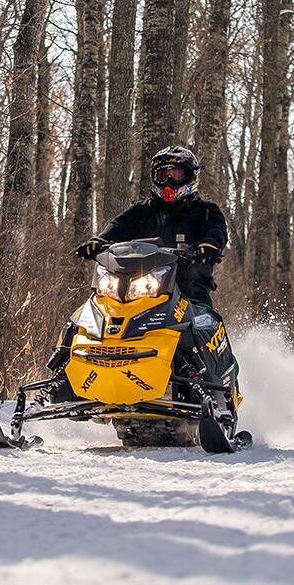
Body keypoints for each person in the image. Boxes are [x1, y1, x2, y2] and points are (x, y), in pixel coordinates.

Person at [66, 146, 237, 400]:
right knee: (81, 318)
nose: (168, 182)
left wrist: (209, 246)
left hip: (188, 291)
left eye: (175, 175)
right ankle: (62, 379)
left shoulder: (205, 211)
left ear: (190, 177)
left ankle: (218, 395)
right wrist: (98, 242)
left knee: (205, 325)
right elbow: (116, 228)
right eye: (163, 175)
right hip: (136, 291)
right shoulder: (141, 211)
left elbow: (216, 232)